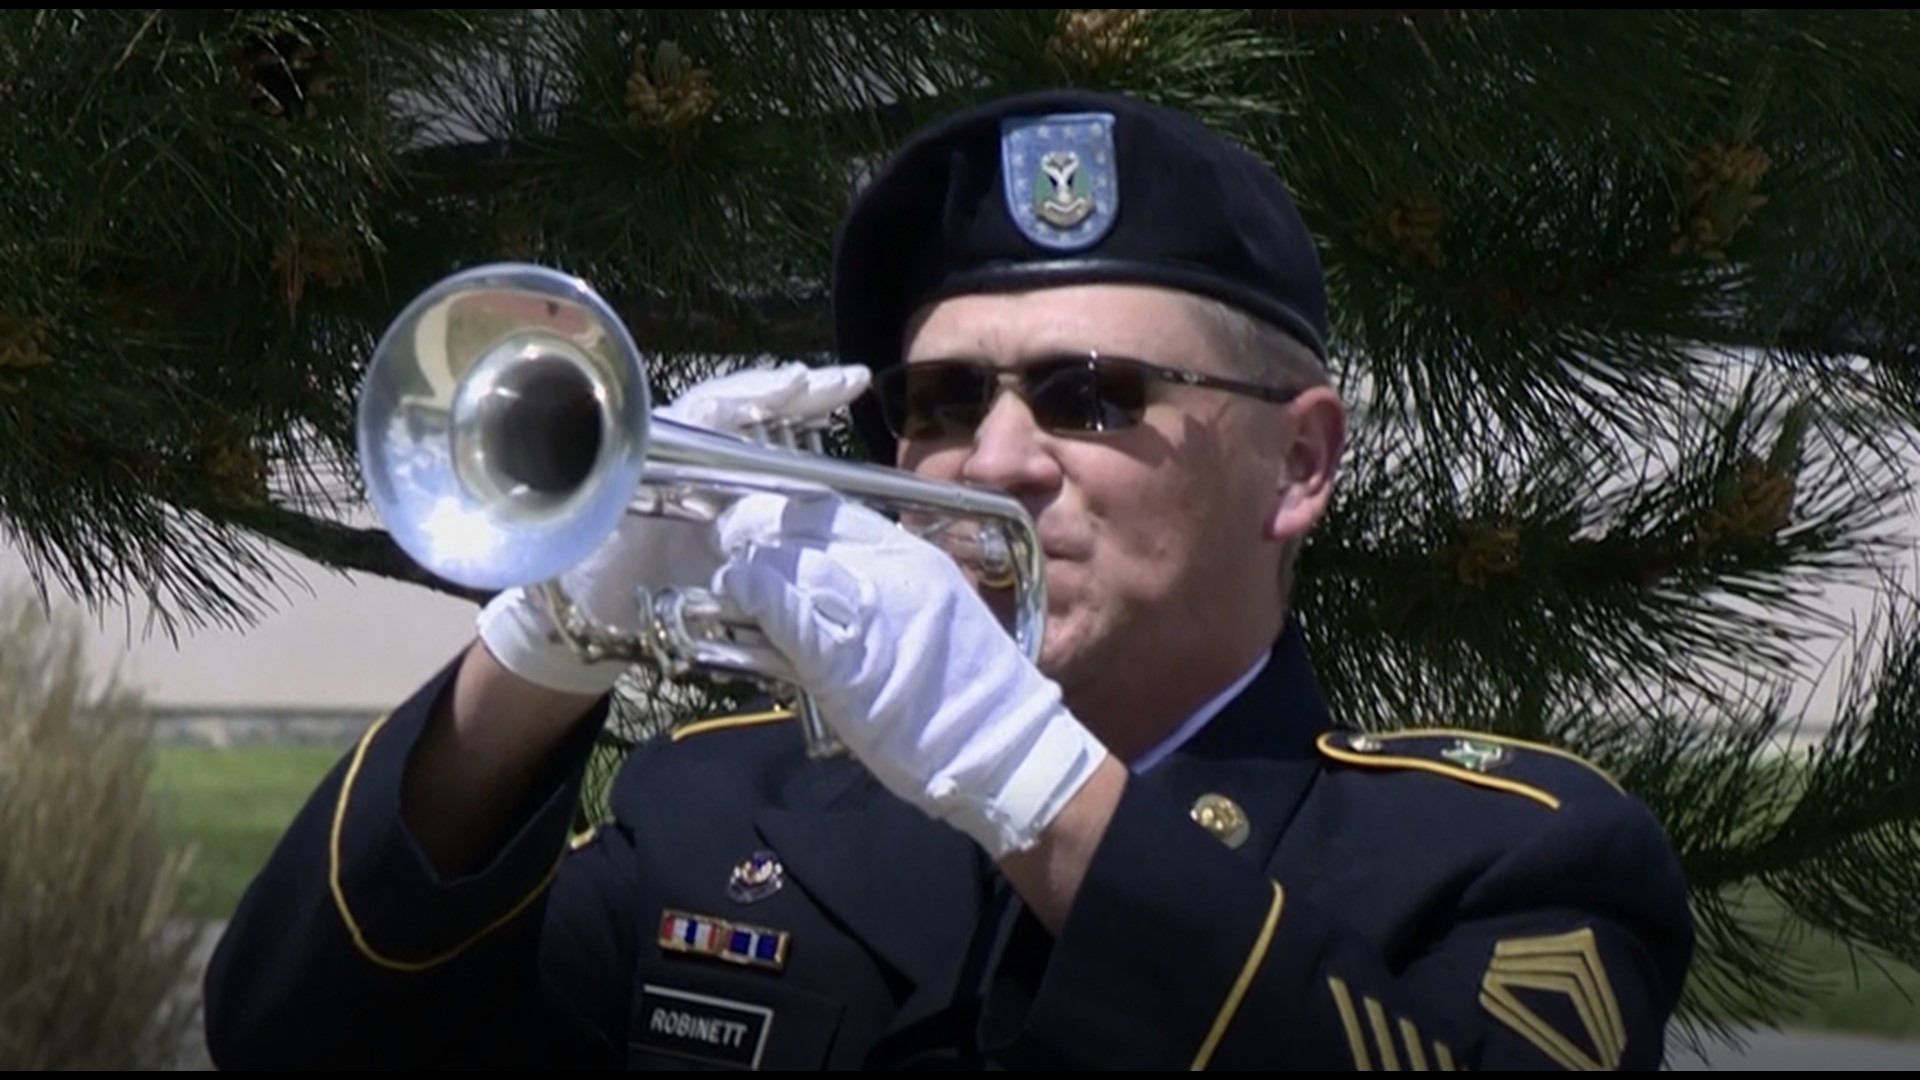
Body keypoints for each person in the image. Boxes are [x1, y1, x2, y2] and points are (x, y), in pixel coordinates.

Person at [203, 87, 1696, 1071]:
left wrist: (1025, 782)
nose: (991, 462)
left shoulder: (1507, 858)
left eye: (1092, 395)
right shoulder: (722, 813)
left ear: (1300, 466)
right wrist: (551, 635)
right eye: (935, 402)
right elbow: (300, 1038)